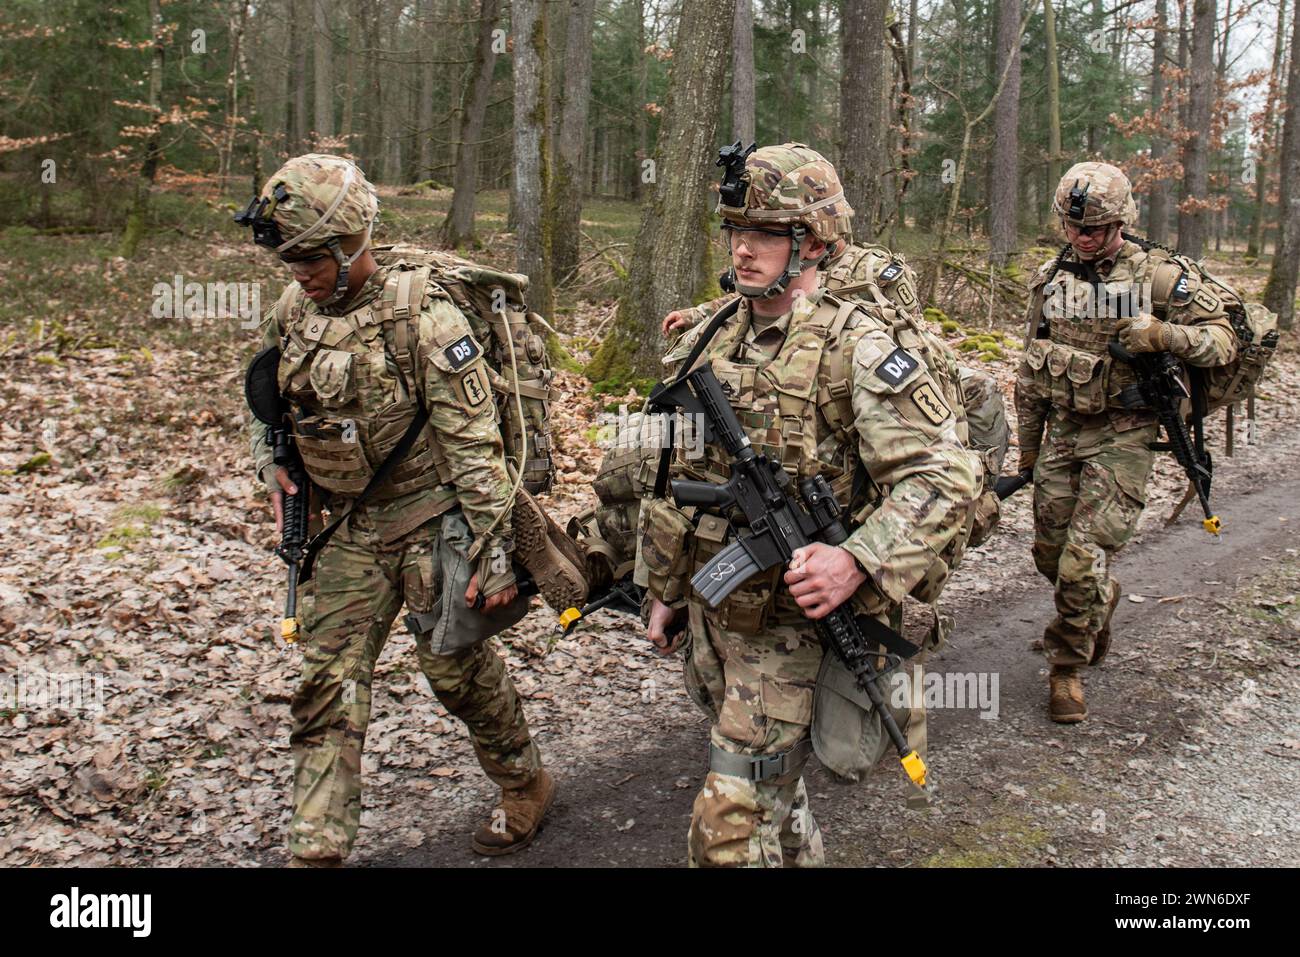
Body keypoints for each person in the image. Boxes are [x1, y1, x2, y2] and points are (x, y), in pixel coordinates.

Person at [637, 143, 980, 867]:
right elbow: (670, 473)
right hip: (719, 615)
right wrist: (666, 586)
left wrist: (855, 559)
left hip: (796, 630)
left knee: (726, 832)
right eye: (737, 229)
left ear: (814, 243)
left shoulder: (857, 348)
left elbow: (945, 476)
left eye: (766, 232)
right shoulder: (708, 333)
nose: (743, 246)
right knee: (776, 799)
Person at [239, 153, 582, 864]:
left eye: (308, 257)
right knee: (326, 684)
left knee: (455, 671)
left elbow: (476, 449)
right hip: (351, 528)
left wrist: (497, 555)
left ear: (347, 244)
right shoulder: (295, 307)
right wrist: (270, 460)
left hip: (435, 519)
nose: (297, 272)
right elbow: (266, 391)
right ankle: (317, 849)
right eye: (289, 258)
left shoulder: (423, 317)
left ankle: (525, 782)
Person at [1015, 161, 1241, 724]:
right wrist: (1027, 451)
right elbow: (1031, 369)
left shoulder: (1162, 277)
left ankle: (1066, 668)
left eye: (1093, 229)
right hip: (1064, 429)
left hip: (1124, 433)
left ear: (1120, 222)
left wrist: (1165, 334)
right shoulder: (1053, 278)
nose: (1082, 239)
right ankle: (1099, 601)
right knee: (1050, 556)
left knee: (1080, 562)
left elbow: (1223, 342)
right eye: (1074, 229)